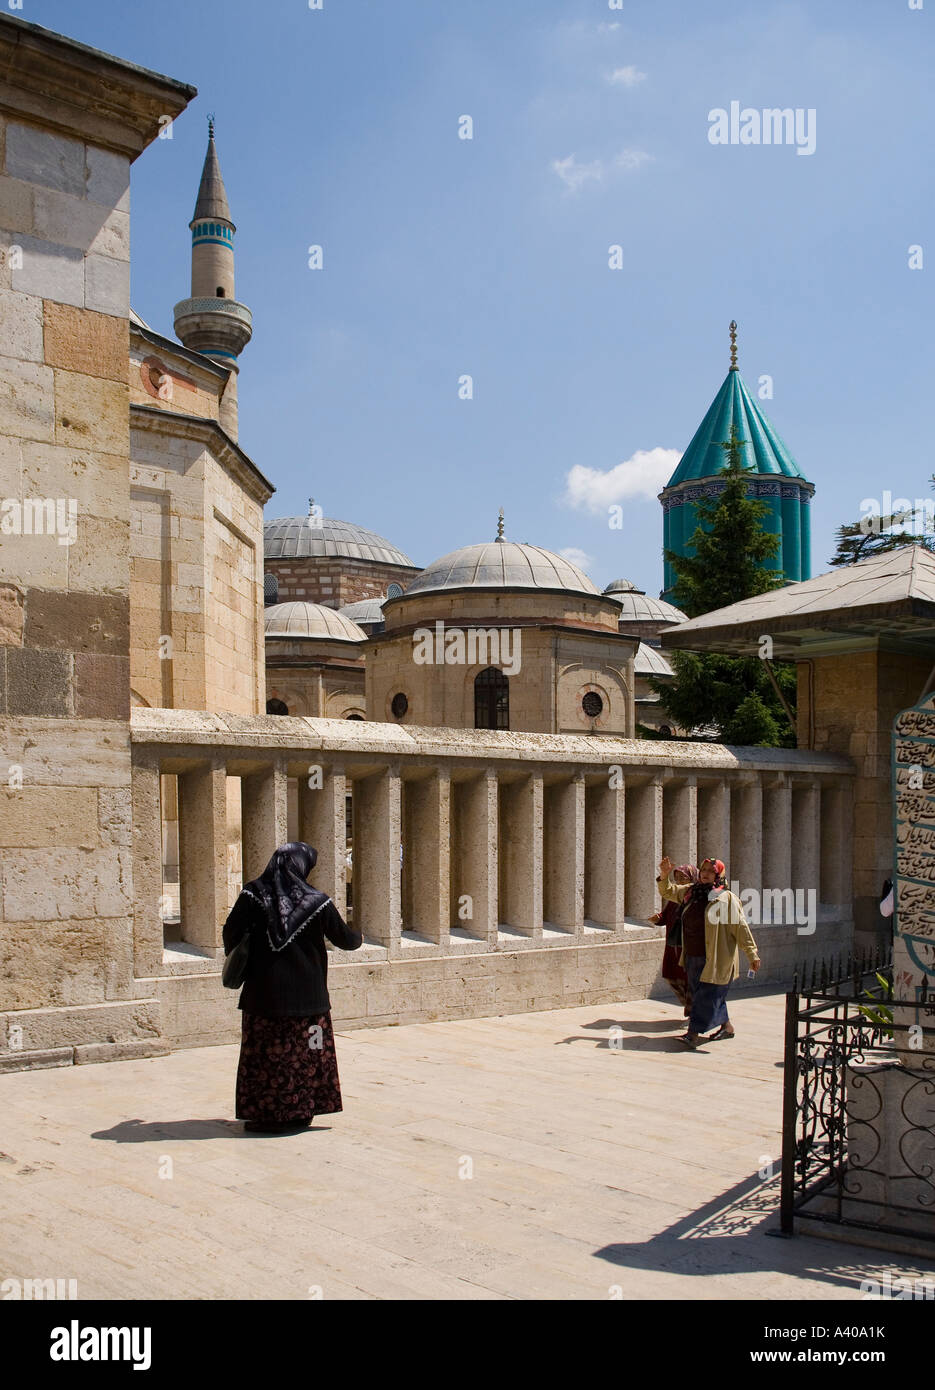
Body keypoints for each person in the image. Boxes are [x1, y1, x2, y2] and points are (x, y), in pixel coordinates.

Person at [222, 840, 362, 1132]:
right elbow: (346, 941)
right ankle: (299, 1113)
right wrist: (359, 934)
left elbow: (229, 934)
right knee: (305, 1054)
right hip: (307, 1001)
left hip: (263, 997)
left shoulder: (252, 893)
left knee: (264, 1055)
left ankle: (263, 1114)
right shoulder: (317, 901)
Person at [657, 854, 760, 1049]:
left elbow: (740, 927)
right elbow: (669, 891)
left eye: (710, 871)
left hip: (717, 958)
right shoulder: (690, 892)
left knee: (706, 996)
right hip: (693, 955)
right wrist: (664, 875)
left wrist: (752, 953)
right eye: (703, 870)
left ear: (718, 875)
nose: (705, 874)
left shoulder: (727, 898)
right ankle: (727, 1027)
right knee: (703, 994)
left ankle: (693, 1034)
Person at [649, 863, 698, 1015]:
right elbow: (666, 915)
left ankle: (693, 1008)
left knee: (690, 977)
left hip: (689, 945)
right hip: (673, 944)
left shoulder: (697, 898)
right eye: (677, 878)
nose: (680, 881)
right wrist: (658, 919)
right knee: (672, 974)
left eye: (683, 878)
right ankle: (689, 1003)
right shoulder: (675, 897)